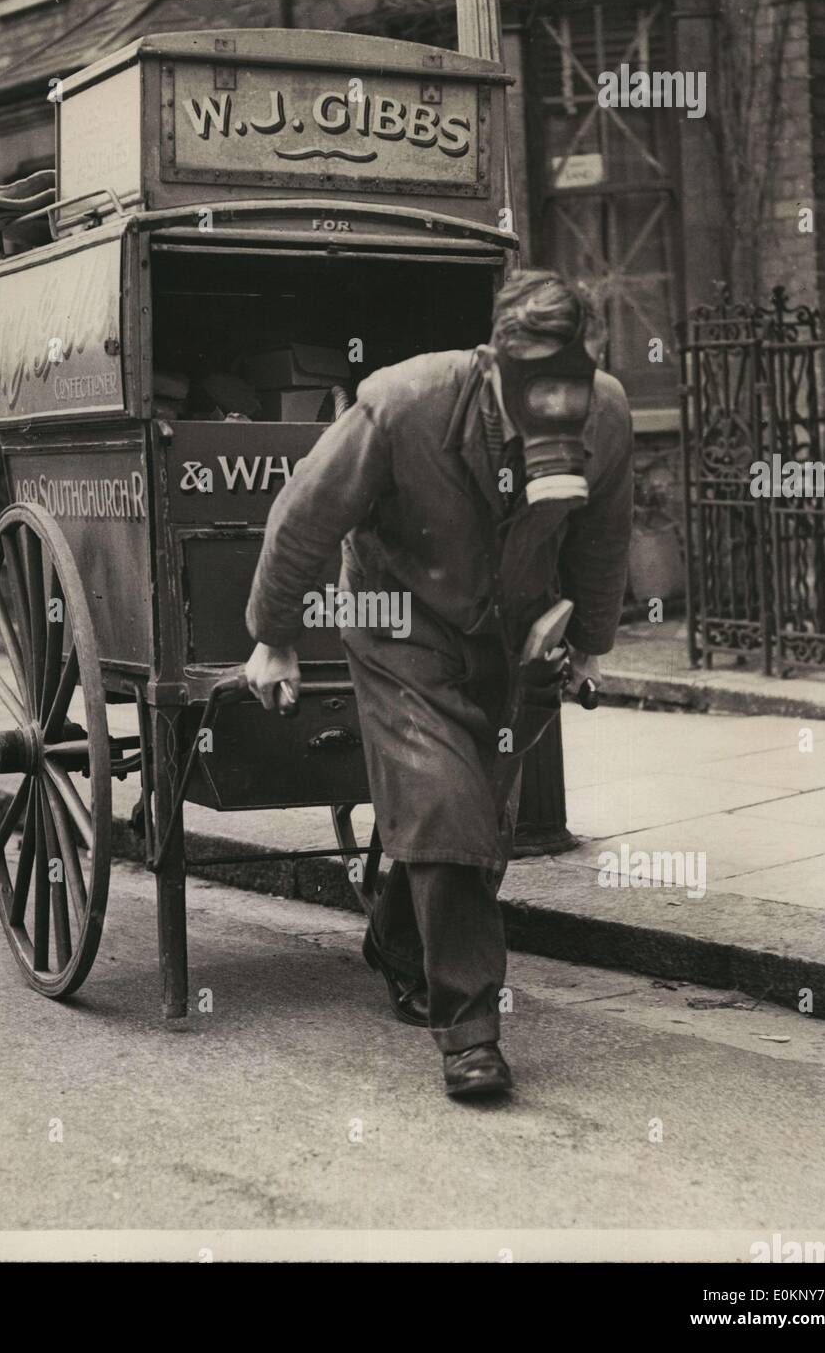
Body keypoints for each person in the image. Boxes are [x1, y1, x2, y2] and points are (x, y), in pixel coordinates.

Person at [245, 270, 633, 1099]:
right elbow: (303, 516)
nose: (558, 404)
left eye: (570, 381)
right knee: (445, 799)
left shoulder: (605, 411)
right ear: (492, 362)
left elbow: (601, 536)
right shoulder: (402, 404)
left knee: (483, 824)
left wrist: (590, 645)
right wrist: (273, 638)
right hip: (399, 623)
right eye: (538, 386)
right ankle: (468, 1033)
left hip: (512, 633)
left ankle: (395, 938)